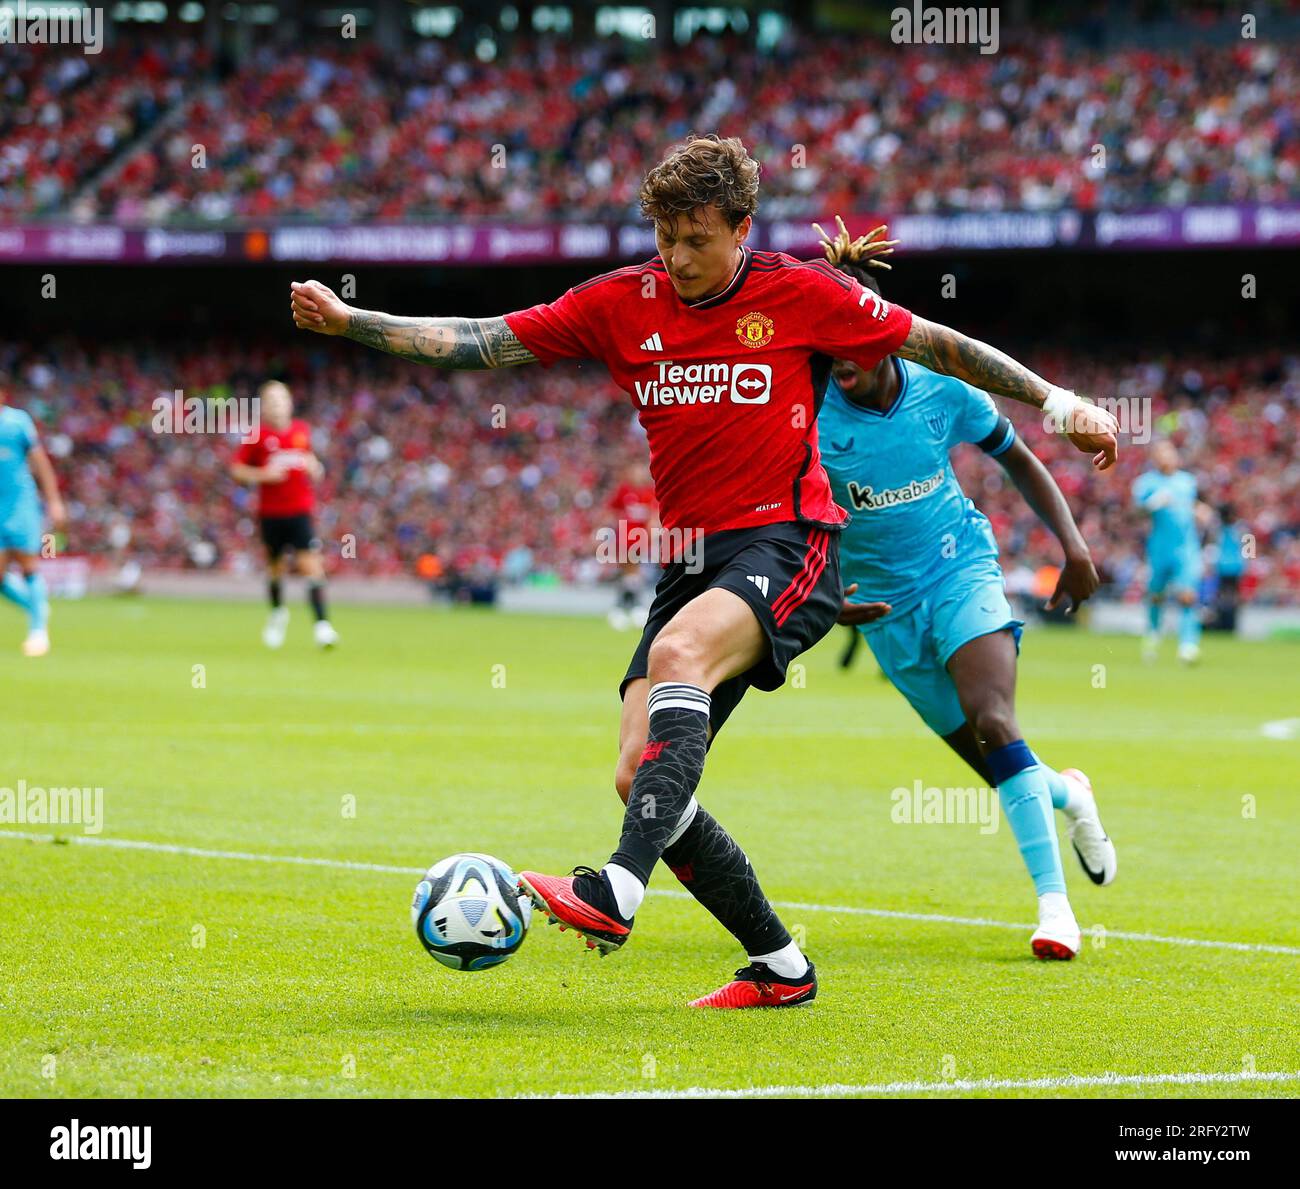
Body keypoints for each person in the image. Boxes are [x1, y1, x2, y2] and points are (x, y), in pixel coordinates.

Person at [290, 133, 1118, 1007]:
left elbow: (938, 345)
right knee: (638, 771)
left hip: (789, 543)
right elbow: (488, 341)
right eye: (664, 238)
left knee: (681, 660)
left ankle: (617, 885)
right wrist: (354, 324)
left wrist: (1060, 405)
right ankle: (780, 965)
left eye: (696, 238)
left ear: (742, 228)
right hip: (693, 557)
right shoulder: (622, 302)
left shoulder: (801, 294)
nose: (677, 258)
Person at [812, 218, 1117, 960]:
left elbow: (1016, 456)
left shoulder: (940, 387)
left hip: (960, 569)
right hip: (886, 612)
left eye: (849, 340)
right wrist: (825, 590)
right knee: (997, 764)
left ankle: (1055, 912)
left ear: (884, 336)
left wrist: (1072, 544)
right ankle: (1072, 795)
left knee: (996, 722)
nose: (835, 357)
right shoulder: (809, 417)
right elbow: (794, 516)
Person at [230, 380, 339, 649]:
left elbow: (312, 463)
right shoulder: (256, 436)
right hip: (270, 513)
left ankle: (322, 626)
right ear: (264, 406)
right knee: (275, 568)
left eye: (281, 399)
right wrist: (262, 475)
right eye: (271, 400)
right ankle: (279, 613)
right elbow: (237, 470)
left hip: (300, 511)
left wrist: (316, 468)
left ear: (290, 403)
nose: (277, 405)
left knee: (311, 566)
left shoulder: (302, 431)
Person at [0, 385, 65, 657]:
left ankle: (38, 631)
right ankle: (35, 605)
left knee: (28, 565)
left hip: (20, 505)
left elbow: (40, 463)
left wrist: (54, 501)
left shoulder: (17, 422)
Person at [1133, 440, 1204, 663]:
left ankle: (1188, 644)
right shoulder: (1145, 483)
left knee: (1187, 596)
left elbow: (1194, 506)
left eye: (1169, 453)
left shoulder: (1188, 482)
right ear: (1154, 458)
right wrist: (1151, 504)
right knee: (1156, 595)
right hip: (1159, 548)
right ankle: (1153, 635)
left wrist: (1202, 512)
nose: (1166, 457)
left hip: (1186, 548)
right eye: (1161, 454)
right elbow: (1135, 514)